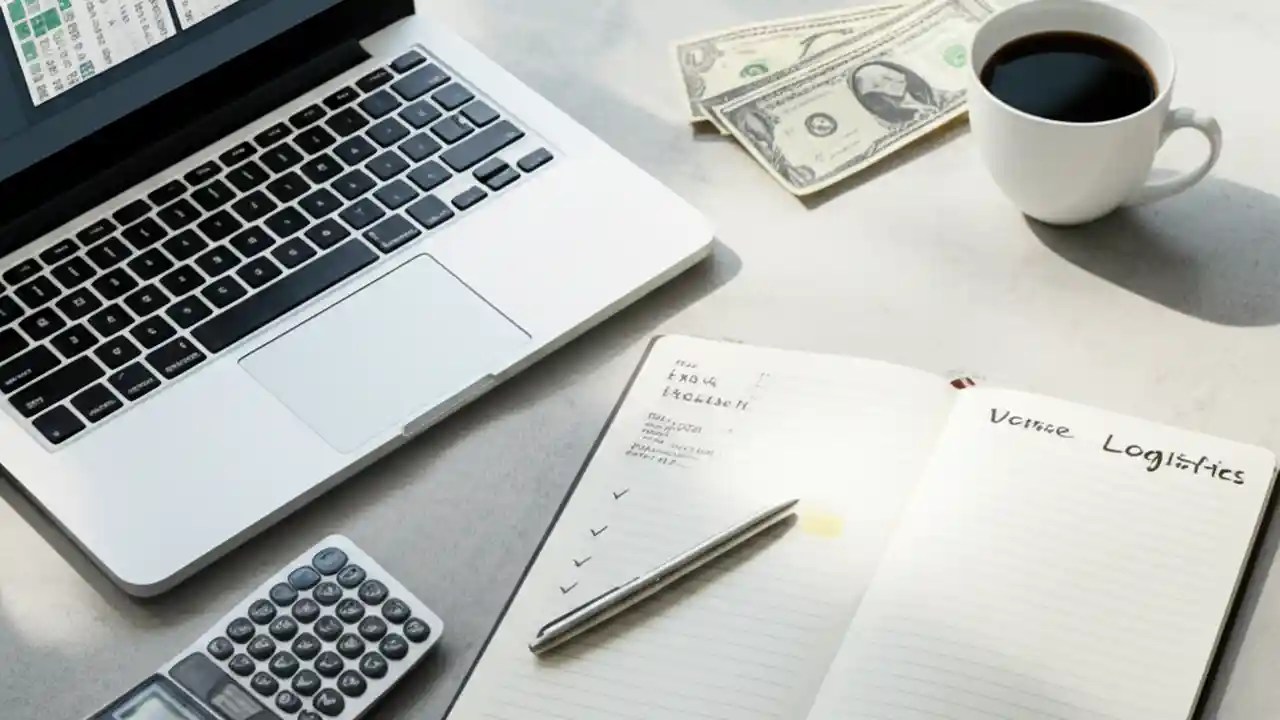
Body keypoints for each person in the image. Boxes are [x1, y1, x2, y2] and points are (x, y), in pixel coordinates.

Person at [850, 60, 952, 128]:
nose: (898, 77)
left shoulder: (926, 93)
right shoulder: (896, 121)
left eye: (891, 73)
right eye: (885, 78)